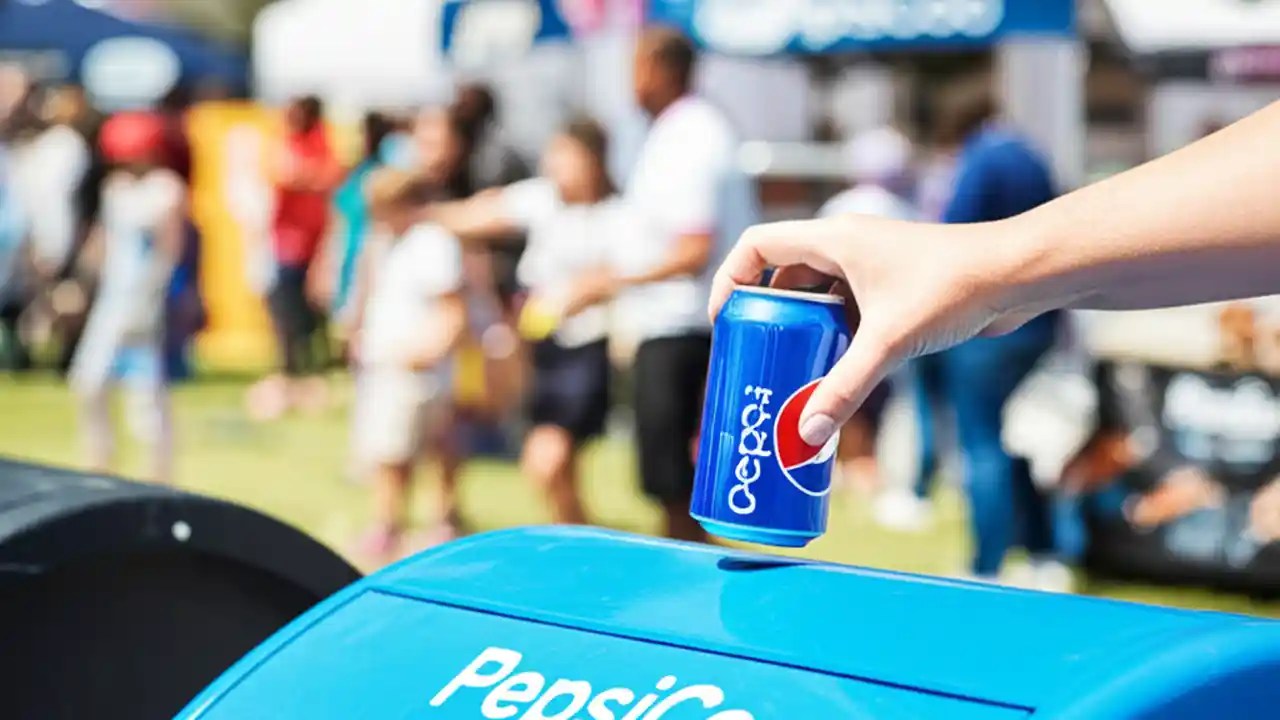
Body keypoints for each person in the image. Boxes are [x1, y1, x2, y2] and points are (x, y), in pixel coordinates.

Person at [709, 103, 1280, 493]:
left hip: (985, 320)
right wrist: (1001, 274)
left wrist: (991, 269)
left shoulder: (982, 158)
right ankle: (1034, 550)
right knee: (999, 441)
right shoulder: (1026, 151)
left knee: (979, 440)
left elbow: (958, 221)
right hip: (1019, 312)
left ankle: (987, 559)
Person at [584, 26, 759, 541]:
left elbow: (692, 247)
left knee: (678, 482)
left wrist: (608, 281)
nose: (630, 83)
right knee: (671, 480)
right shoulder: (680, 131)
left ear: (660, 67)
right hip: (676, 322)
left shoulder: (692, 135)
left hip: (683, 324)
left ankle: (693, 581)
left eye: (635, 68)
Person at [424, 117, 629, 525]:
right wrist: (418, 208)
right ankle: (578, 544)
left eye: (564, 156)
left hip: (587, 351)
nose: (553, 165)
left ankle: (579, 542)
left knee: (546, 461)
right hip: (540, 349)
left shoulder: (617, 215)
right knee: (555, 470)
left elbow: (624, 274)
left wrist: (580, 293)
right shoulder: (542, 199)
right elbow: (476, 215)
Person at [349, 168, 467, 566]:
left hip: (416, 367)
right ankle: (390, 522)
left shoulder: (430, 243)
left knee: (410, 449)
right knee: (390, 448)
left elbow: (452, 308)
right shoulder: (385, 241)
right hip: (388, 361)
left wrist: (427, 352)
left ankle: (404, 523)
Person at [68, 112, 184, 485]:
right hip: (111, 299)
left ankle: (158, 471)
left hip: (145, 300)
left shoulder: (166, 190)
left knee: (145, 393)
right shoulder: (115, 188)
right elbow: (102, 242)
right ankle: (99, 459)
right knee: (88, 381)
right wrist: (77, 284)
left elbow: (170, 249)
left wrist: (157, 298)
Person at [818, 125, 916, 496]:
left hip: (844, 322)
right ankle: (868, 467)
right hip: (891, 324)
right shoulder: (906, 210)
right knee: (881, 404)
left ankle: (854, 465)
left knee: (846, 399)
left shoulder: (838, 208)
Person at [249, 95, 341, 420]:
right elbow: (281, 173)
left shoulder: (320, 142)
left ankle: (310, 378)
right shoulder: (282, 141)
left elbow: (325, 176)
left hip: (311, 246)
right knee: (285, 315)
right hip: (284, 245)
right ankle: (289, 376)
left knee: (310, 317)